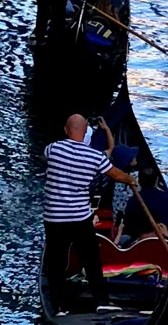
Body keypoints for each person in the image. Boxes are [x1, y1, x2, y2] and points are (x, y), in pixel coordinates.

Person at [42, 114, 138, 310]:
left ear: (65, 130)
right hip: (79, 218)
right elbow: (116, 175)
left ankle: (59, 306)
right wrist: (131, 180)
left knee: (56, 262)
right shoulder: (95, 157)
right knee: (91, 260)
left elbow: (47, 159)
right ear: (87, 133)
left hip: (54, 218)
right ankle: (101, 302)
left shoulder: (52, 149)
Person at [120, 158, 168, 242]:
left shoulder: (133, 201)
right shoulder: (167, 198)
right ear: (156, 181)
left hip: (139, 241)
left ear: (139, 181)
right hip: (164, 238)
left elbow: (127, 225)